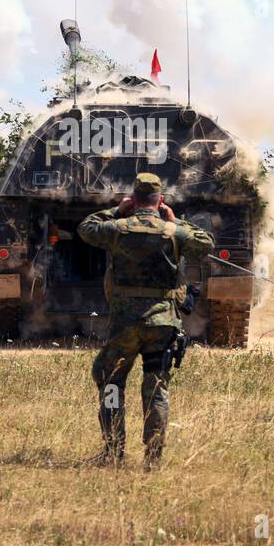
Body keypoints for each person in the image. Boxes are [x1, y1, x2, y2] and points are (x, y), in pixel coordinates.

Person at [77, 173, 214, 469]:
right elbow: (205, 243)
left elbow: (85, 229)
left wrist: (117, 209)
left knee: (111, 382)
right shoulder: (172, 231)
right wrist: (175, 220)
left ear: (133, 198)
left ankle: (113, 451)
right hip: (163, 323)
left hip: (124, 324)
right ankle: (153, 459)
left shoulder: (117, 228)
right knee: (156, 389)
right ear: (160, 200)